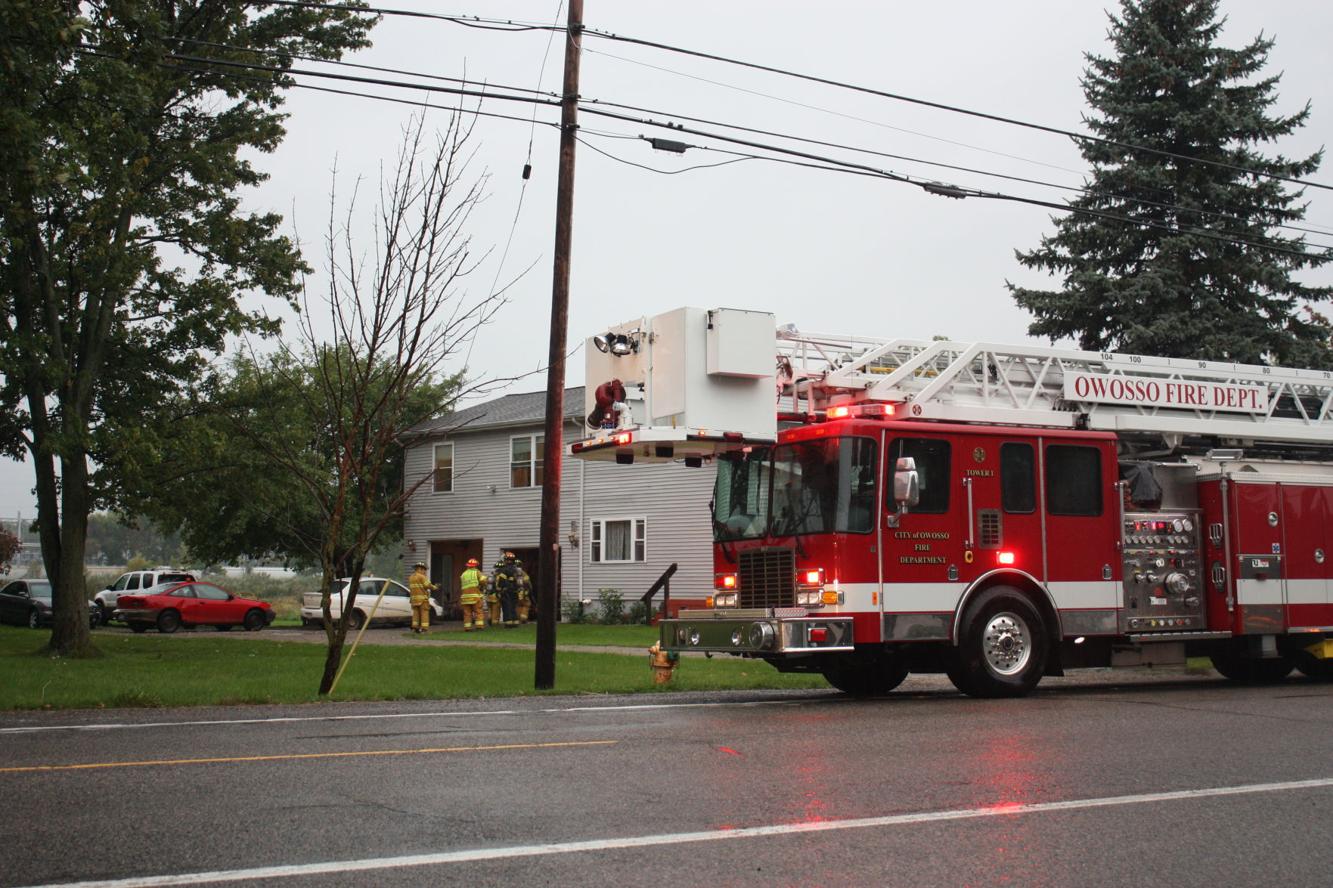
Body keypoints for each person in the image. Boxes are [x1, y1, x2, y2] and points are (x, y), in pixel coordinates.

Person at [492, 551, 520, 628]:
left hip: (506, 591)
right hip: (515, 591)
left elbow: (501, 581)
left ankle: (508, 623)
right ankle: (515, 622)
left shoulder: (504, 569)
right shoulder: (516, 569)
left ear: (506, 560)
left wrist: (498, 590)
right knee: (513, 606)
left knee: (507, 607)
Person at [408, 562, 438, 634]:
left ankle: (415, 628)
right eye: (424, 570)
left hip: (414, 600)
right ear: (420, 569)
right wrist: (435, 587)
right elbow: (427, 585)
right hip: (422, 600)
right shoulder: (422, 577)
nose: (425, 572)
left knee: (416, 614)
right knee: (424, 614)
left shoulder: (411, 577)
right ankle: (424, 629)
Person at [458, 558, 487, 632]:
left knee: (467, 613)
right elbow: (483, 580)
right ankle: (479, 626)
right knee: (478, 611)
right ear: (475, 566)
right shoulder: (476, 572)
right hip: (475, 596)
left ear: (468, 566)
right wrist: (482, 585)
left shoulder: (463, 574)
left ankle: (467, 628)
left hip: (465, 597)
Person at [514, 559, 532, 625]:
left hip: (516, 593)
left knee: (518, 605)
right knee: (527, 604)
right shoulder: (523, 573)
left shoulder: (512, 573)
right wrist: (529, 591)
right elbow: (528, 584)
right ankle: (523, 619)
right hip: (523, 592)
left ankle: (519, 619)